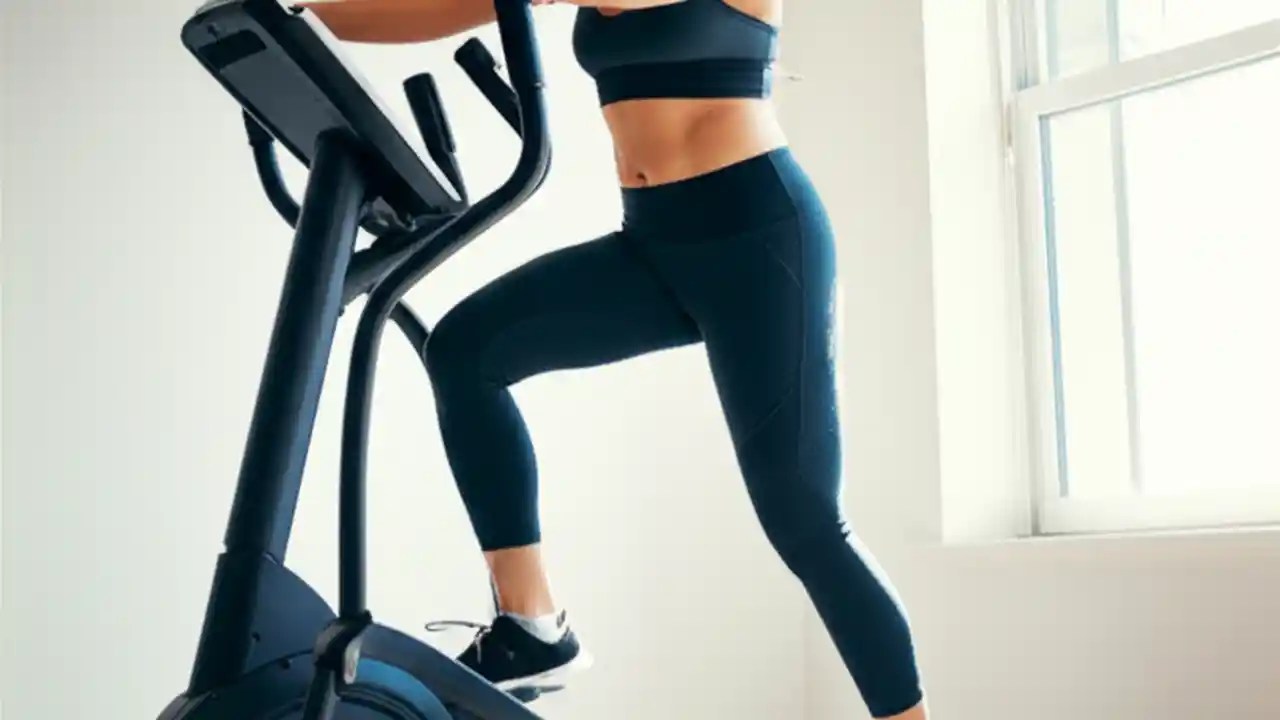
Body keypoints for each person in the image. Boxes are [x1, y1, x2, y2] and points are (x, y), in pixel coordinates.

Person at [301, 1, 928, 717]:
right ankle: (534, 629)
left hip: (757, 238)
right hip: (653, 243)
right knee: (465, 350)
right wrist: (308, 12)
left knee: (805, 518)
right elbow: (426, 11)